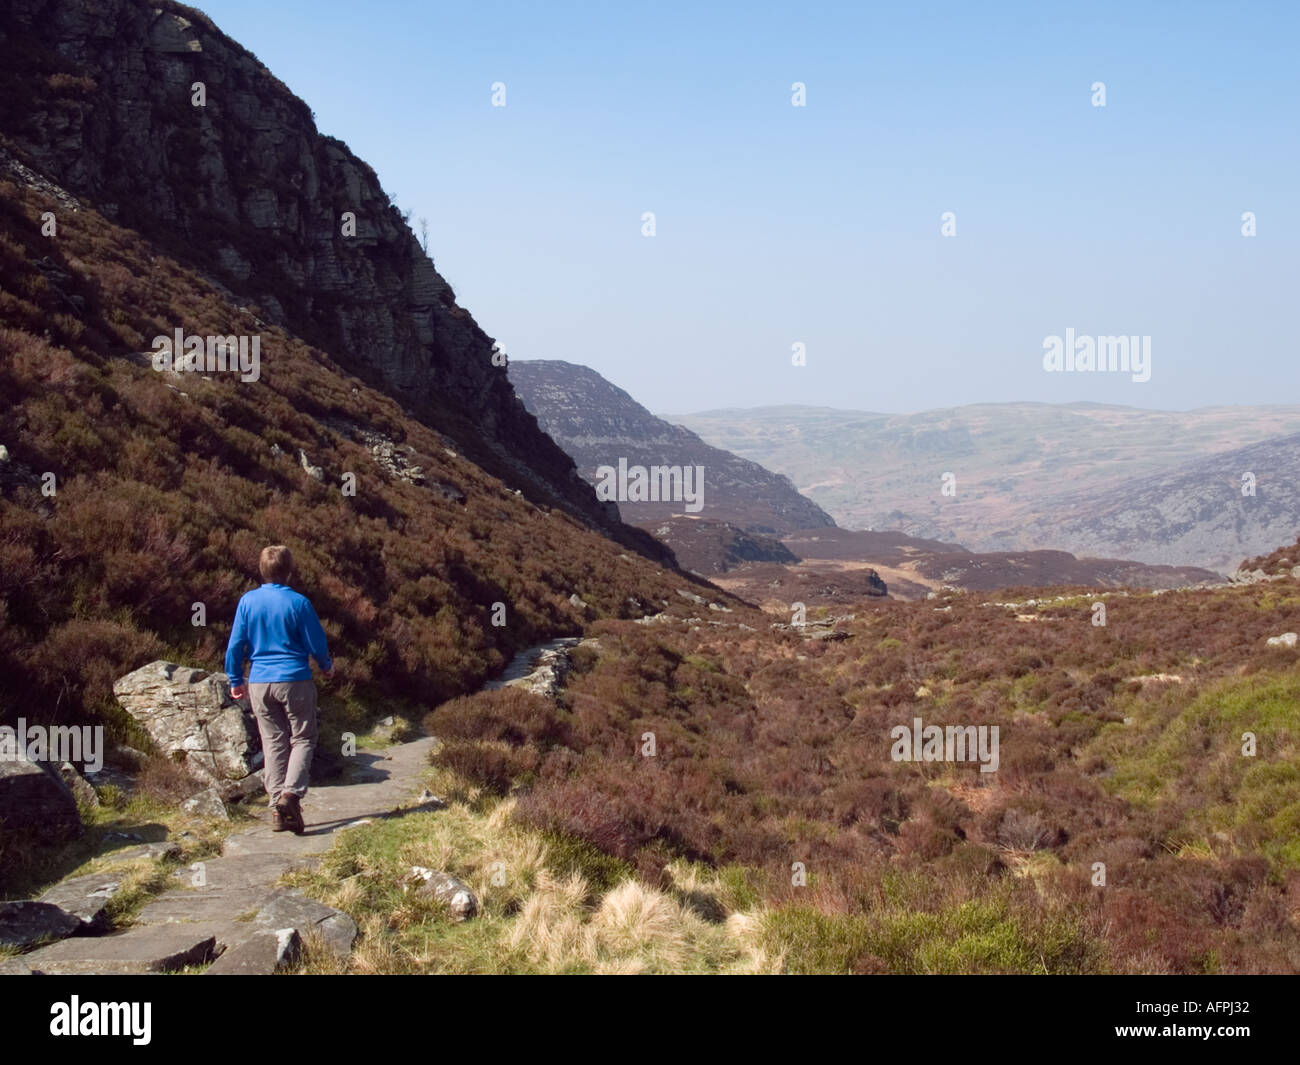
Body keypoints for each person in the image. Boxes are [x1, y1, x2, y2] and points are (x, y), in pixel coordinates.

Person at [225, 545, 334, 835]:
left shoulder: (248, 602)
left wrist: (235, 679)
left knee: (272, 742)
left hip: (259, 680)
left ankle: (277, 810)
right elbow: (316, 642)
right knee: (303, 738)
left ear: (261, 570)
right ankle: (291, 795)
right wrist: (325, 665)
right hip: (294, 679)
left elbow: (236, 644)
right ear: (289, 571)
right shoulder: (299, 603)